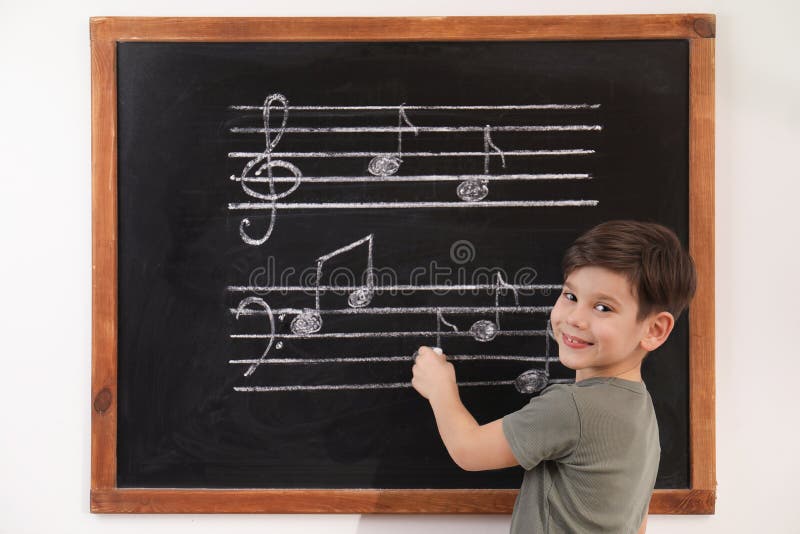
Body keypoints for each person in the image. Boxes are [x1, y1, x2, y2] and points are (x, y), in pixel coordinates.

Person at [411, 220, 697, 533]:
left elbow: (469, 450)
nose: (575, 318)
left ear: (654, 330)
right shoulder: (641, 409)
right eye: (570, 296)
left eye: (602, 307)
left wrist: (440, 388)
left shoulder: (571, 408)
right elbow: (637, 521)